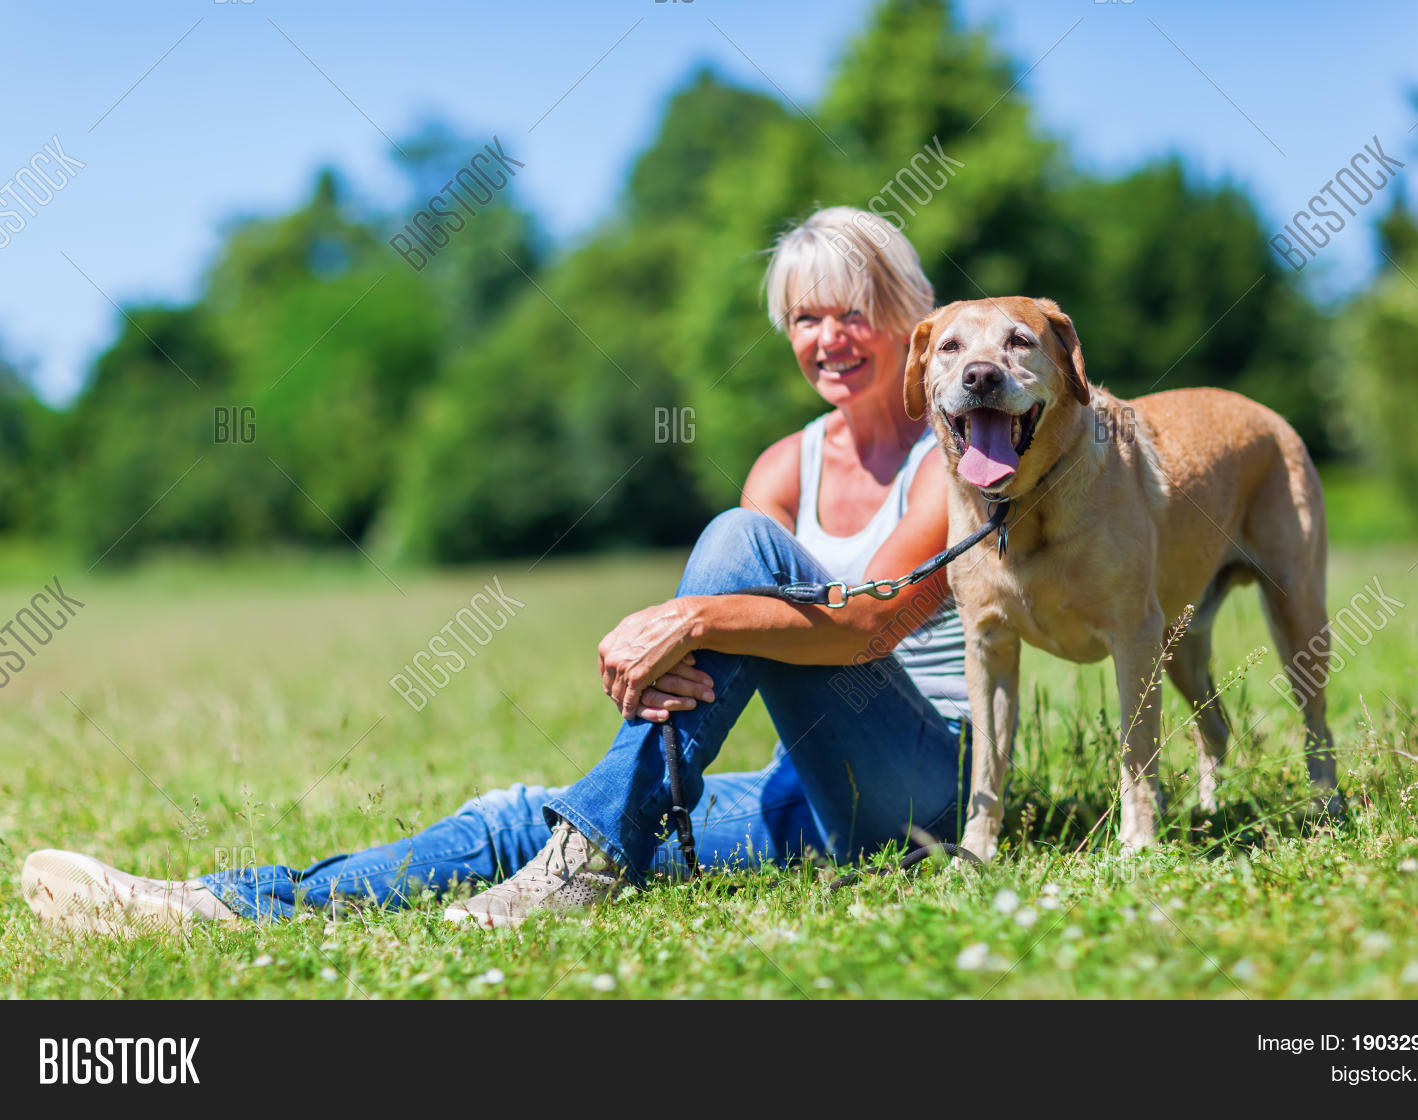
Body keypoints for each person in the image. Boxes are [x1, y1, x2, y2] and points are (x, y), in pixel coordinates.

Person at [22, 206, 973, 936]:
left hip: (921, 790)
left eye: (853, 311)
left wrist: (692, 621)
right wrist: (703, 632)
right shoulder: (786, 466)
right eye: (806, 317)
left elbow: (867, 626)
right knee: (518, 818)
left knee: (735, 550)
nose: (827, 339)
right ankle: (214, 904)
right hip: (803, 792)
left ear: (908, 316)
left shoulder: (951, 460)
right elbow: (737, 652)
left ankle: (593, 850)